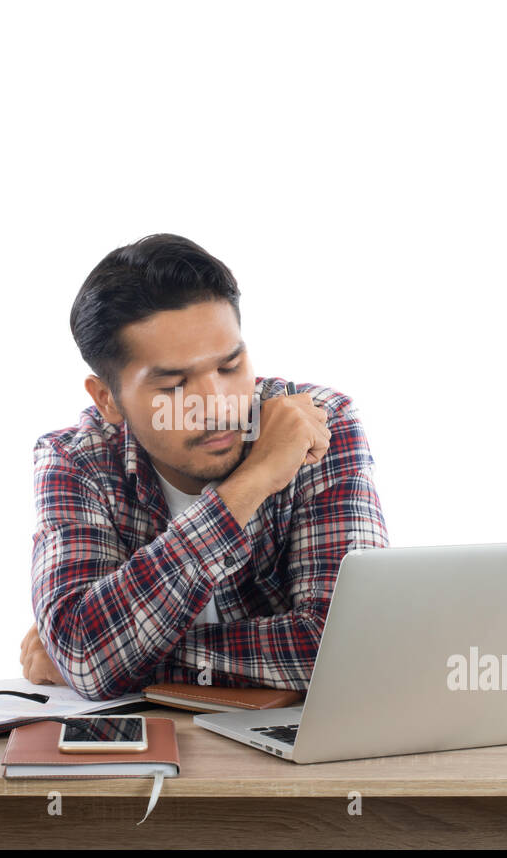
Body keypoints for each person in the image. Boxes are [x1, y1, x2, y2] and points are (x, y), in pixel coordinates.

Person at [20, 233, 389, 700]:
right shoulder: (76, 460)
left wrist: (126, 660)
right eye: (174, 385)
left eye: (230, 366)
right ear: (107, 398)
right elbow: (84, 649)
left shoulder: (316, 423)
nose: (216, 406)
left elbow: (353, 650)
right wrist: (248, 486)